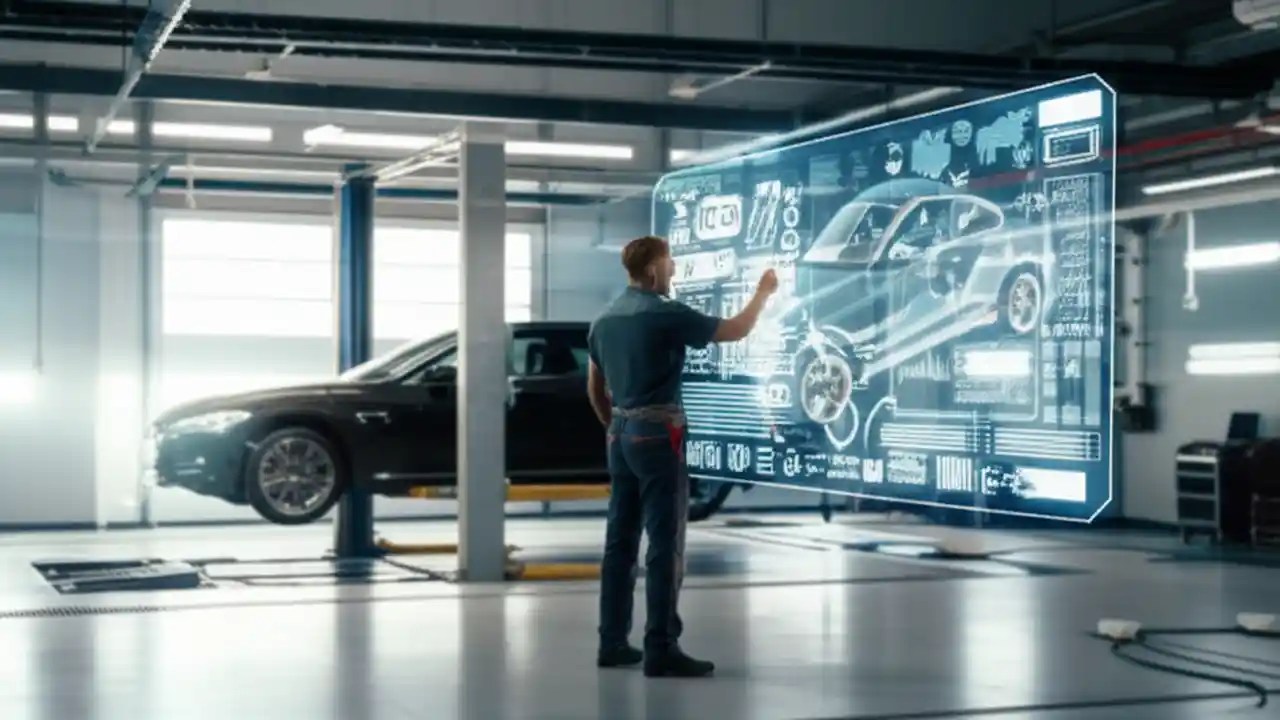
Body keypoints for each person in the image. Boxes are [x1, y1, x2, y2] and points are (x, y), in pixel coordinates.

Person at [586, 235, 778, 678]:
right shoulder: (664, 314)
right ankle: (661, 648)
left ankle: (612, 642)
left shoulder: (604, 319)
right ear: (653, 269)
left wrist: (614, 426)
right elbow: (735, 330)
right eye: (670, 263)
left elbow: (594, 388)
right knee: (665, 544)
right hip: (658, 438)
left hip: (620, 436)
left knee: (620, 542)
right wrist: (762, 293)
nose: (674, 270)